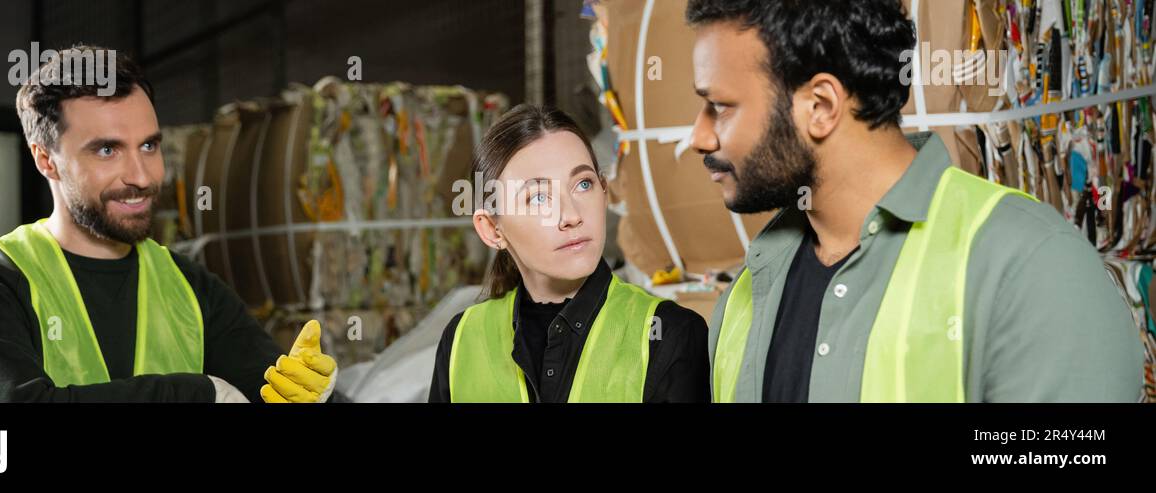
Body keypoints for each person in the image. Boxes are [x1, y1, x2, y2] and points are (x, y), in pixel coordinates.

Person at [686, 0, 1144, 402]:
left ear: (821, 106)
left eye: (720, 106)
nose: (698, 137)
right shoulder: (749, 290)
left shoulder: (1032, 266)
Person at [0, 45, 334, 403]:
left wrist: (316, 394)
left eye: (149, 145)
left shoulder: (191, 289)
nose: (142, 177)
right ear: (46, 159)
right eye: (108, 150)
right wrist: (198, 392)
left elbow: (271, 389)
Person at [428, 104, 709, 403]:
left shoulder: (669, 335)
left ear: (604, 192)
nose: (571, 215)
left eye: (583, 184)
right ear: (491, 229)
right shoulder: (461, 339)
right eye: (538, 198)